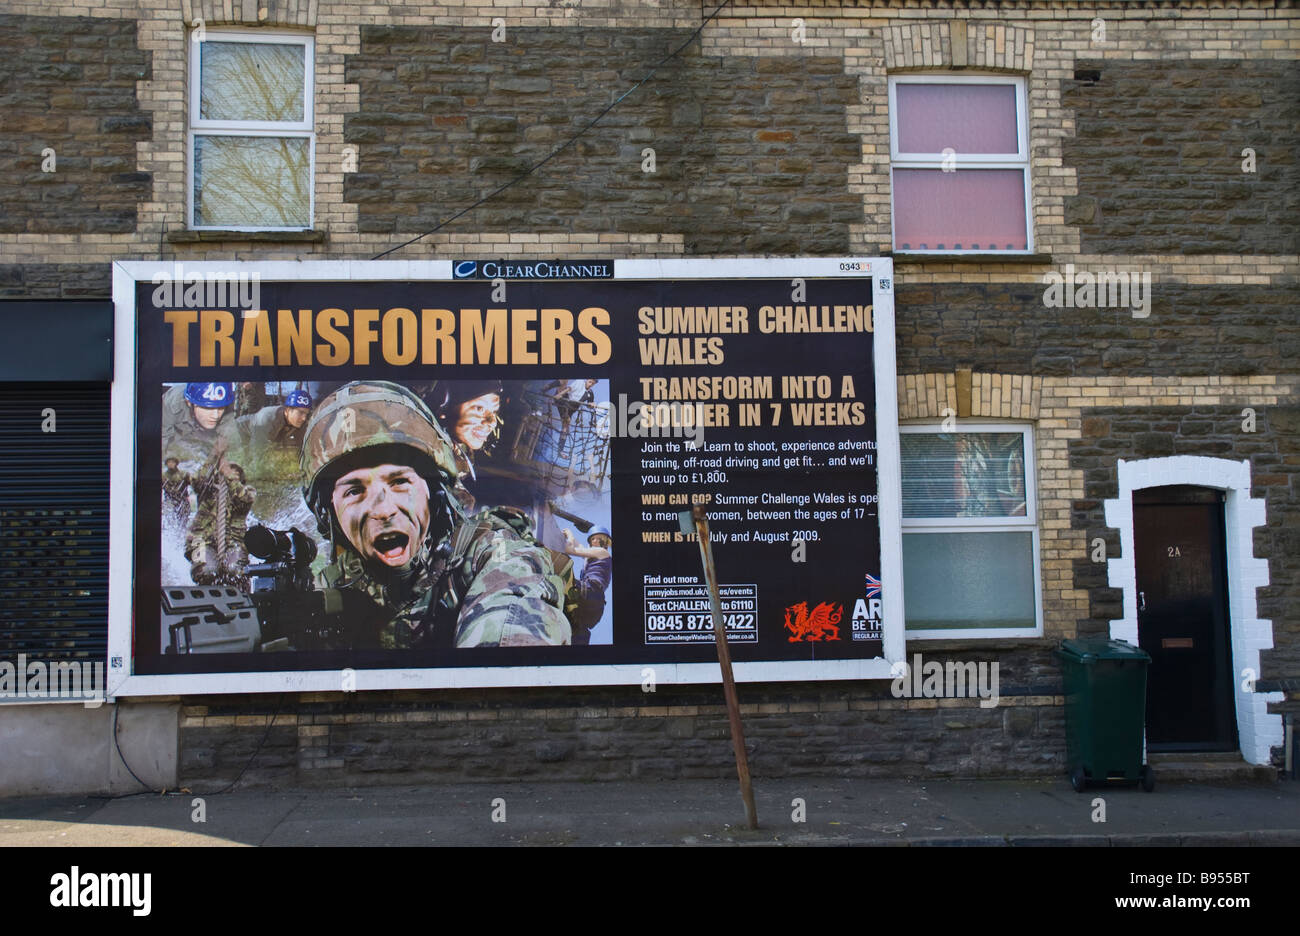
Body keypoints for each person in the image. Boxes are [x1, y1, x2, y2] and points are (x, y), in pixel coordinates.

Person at [301, 380, 571, 650]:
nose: (383, 509)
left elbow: (510, 618)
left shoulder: (491, 554)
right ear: (330, 515)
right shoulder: (330, 583)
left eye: (399, 482)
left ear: (435, 493)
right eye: (354, 491)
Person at [185, 440, 257, 588]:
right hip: (201, 540)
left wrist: (228, 474)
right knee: (208, 571)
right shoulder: (207, 490)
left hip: (233, 544)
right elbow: (197, 480)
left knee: (236, 571)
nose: (230, 475)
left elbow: (244, 499)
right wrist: (214, 455)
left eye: (236, 474)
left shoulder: (247, 492)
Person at [561, 525, 612, 646]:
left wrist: (569, 535)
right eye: (592, 539)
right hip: (594, 604)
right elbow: (580, 547)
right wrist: (571, 533)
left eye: (598, 538)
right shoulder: (594, 557)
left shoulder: (602, 552)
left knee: (559, 579)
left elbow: (570, 550)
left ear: (605, 541)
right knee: (576, 627)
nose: (594, 541)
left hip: (590, 590)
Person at [162, 382, 235, 465]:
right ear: (189, 402)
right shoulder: (171, 403)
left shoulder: (227, 400)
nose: (216, 416)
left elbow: (229, 428)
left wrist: (223, 447)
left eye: (221, 407)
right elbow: (162, 439)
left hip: (204, 433)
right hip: (178, 428)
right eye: (207, 407)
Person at [162, 456, 193, 528]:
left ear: (176, 463)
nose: (170, 464)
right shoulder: (163, 476)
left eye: (172, 462)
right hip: (170, 500)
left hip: (182, 500)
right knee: (169, 520)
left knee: (184, 521)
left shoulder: (184, 474)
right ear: (166, 464)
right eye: (169, 462)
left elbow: (192, 484)